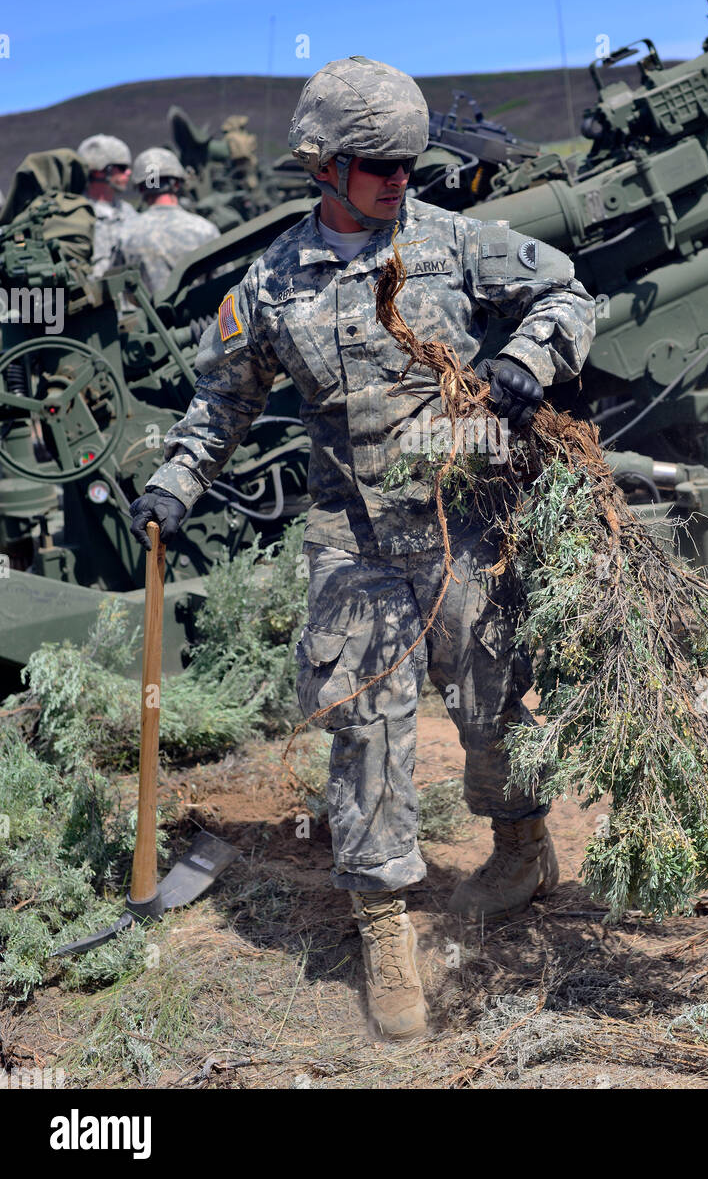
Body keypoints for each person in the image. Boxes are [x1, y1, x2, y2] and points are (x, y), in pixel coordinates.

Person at [128, 56, 595, 1042]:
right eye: (377, 162)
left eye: (408, 160)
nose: (399, 177)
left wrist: (522, 359)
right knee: (364, 725)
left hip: (464, 513)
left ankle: (522, 848)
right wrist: (173, 482)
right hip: (352, 538)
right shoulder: (270, 284)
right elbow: (223, 404)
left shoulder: (457, 245)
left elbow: (569, 295)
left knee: (494, 698)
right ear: (324, 166)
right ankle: (386, 928)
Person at [115, 148, 220, 295]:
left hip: (147, 317)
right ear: (177, 184)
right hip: (200, 317)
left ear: (140, 188)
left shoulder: (125, 234)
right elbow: (224, 285)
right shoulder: (205, 230)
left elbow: (119, 292)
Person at [76, 133, 138, 278]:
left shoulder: (129, 213)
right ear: (100, 170)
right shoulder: (77, 215)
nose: (128, 172)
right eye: (122, 168)